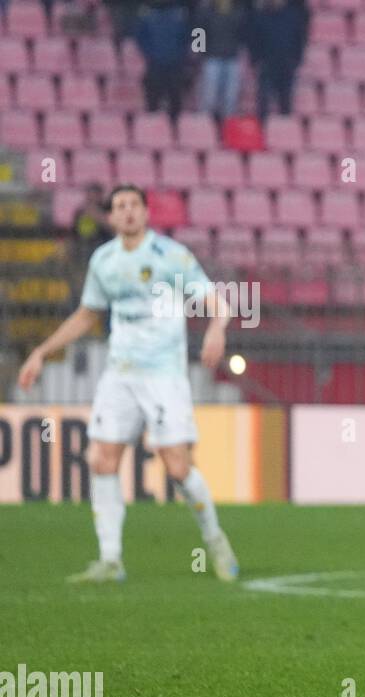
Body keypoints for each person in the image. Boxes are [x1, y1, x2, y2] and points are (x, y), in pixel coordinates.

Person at [17, 185, 240, 583]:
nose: (128, 212)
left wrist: (216, 328)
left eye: (134, 204)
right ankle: (111, 560)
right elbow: (87, 315)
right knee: (101, 459)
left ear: (146, 212)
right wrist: (42, 351)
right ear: (111, 217)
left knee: (178, 467)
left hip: (164, 375)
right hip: (120, 373)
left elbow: (213, 299)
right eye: (120, 206)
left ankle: (215, 539)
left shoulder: (171, 255)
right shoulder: (104, 260)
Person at [247, 0, 310, 122]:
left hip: (286, 65)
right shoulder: (260, 16)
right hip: (266, 65)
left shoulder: (292, 16)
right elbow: (253, 41)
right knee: (263, 101)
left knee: (285, 101)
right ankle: (262, 127)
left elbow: (299, 39)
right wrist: (255, 61)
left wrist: (296, 60)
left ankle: (284, 129)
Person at [133, 0, 191, 121]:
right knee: (153, 98)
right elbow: (140, 38)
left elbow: (187, 37)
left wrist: (180, 54)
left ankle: (175, 124)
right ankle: (151, 125)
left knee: (175, 96)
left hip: (175, 64)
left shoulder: (180, 17)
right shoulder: (148, 16)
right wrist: (150, 54)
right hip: (155, 64)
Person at [194, 0, 246, 121]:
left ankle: (228, 126)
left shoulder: (238, 13)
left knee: (230, 97)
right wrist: (198, 54)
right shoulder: (206, 12)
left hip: (232, 58)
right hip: (211, 58)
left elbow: (243, 35)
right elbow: (198, 31)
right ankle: (205, 124)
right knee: (209, 96)